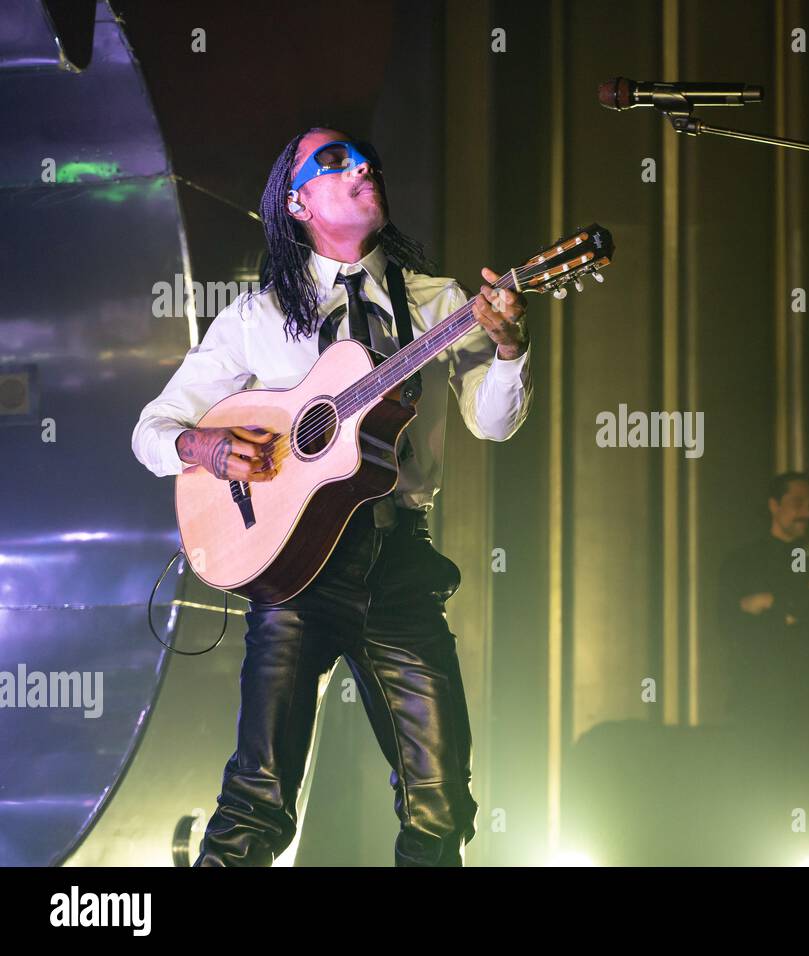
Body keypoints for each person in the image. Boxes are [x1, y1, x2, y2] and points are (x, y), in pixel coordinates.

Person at [130, 127, 533, 866]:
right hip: (292, 575)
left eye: (365, 157)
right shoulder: (256, 318)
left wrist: (509, 349)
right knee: (258, 802)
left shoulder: (439, 303)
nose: (361, 165)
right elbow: (153, 429)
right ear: (298, 200)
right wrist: (207, 447)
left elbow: (493, 424)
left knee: (442, 804)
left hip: (399, 565)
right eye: (334, 161)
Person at [718, 472, 809, 738]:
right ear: (774, 506)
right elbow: (728, 623)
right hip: (757, 698)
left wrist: (769, 602)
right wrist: (791, 608)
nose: (806, 513)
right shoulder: (742, 562)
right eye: (797, 503)